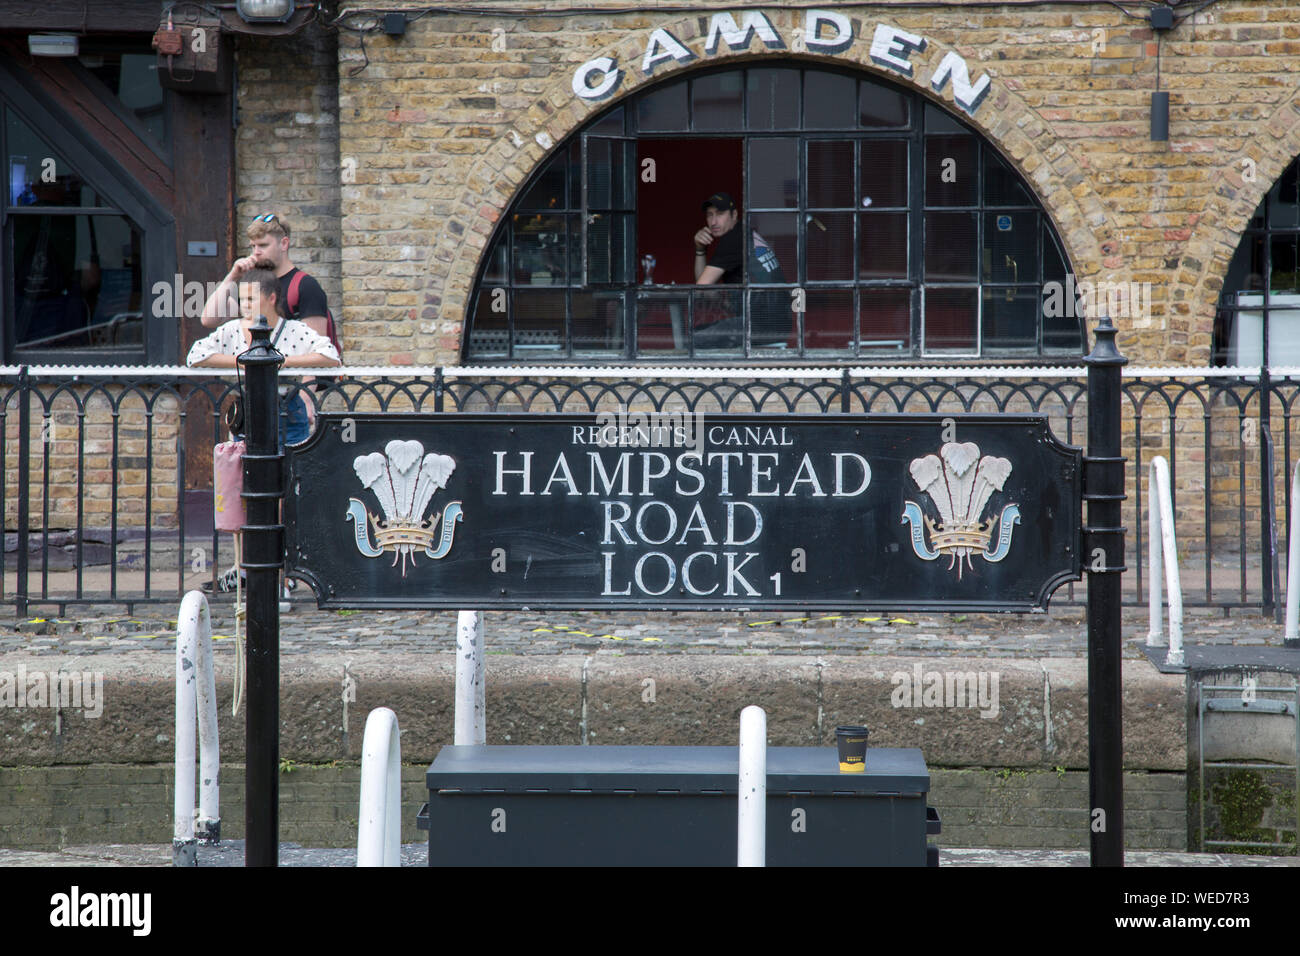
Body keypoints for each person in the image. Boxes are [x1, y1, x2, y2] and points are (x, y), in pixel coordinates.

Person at [189, 265, 340, 596]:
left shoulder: (294, 331)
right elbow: (195, 356)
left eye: (251, 299)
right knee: (245, 493)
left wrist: (278, 361)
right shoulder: (232, 331)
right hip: (250, 416)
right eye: (241, 299)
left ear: (272, 298)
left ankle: (283, 573)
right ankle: (247, 569)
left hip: (289, 413)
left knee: (286, 497)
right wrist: (246, 361)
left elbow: (330, 356)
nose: (244, 306)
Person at [691, 191, 791, 349]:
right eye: (709, 215)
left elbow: (702, 289)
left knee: (692, 339)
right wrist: (700, 249)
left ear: (734, 214)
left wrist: (699, 250)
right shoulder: (746, 233)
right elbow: (707, 291)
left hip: (760, 326)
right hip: (777, 325)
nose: (713, 221)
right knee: (700, 332)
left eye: (720, 214)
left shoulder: (733, 239)